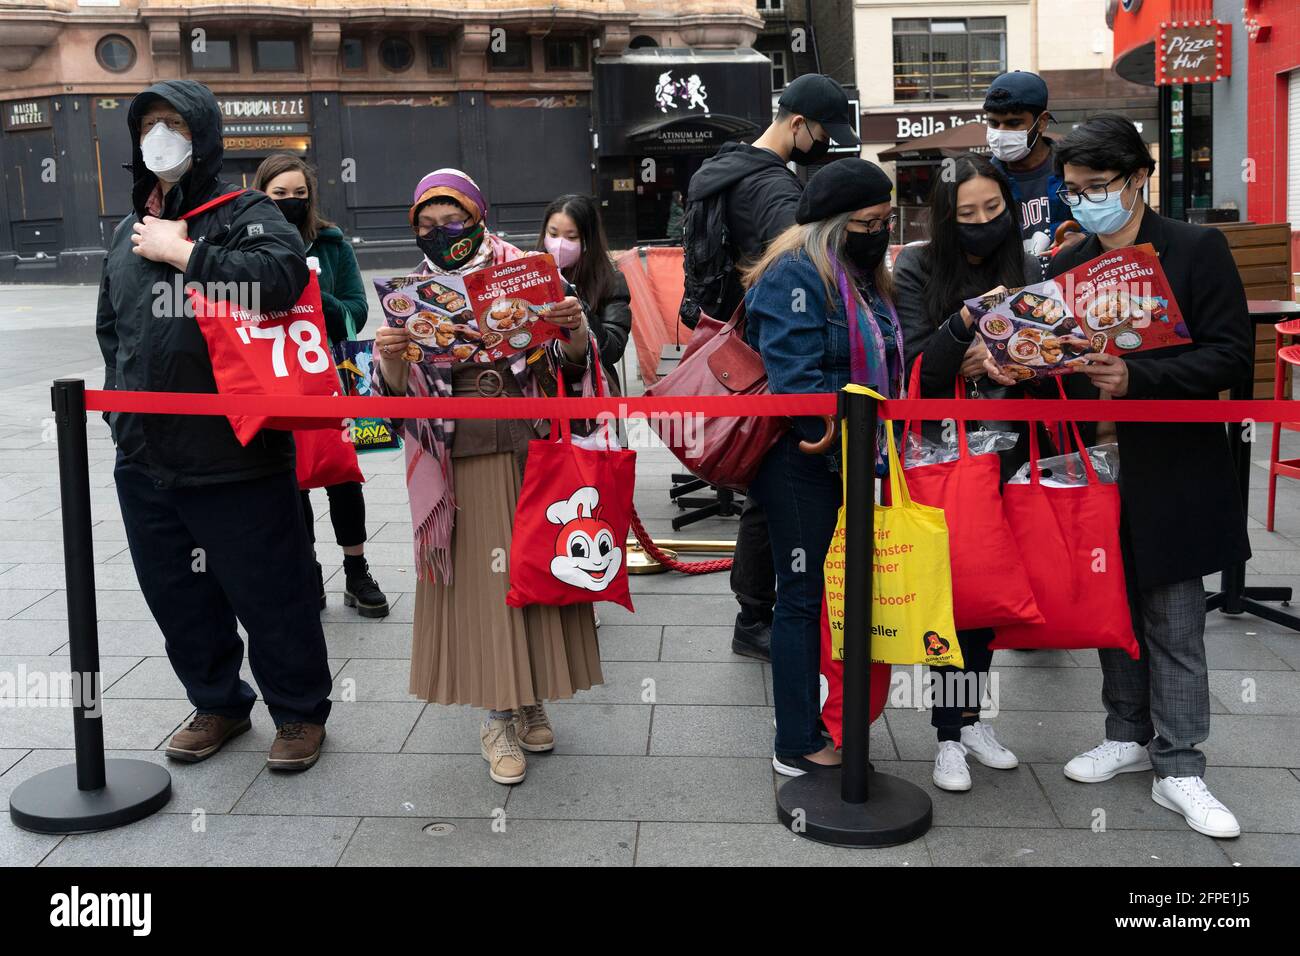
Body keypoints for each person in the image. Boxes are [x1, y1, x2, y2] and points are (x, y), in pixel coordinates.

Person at [985, 114, 1252, 838]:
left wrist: (1137, 374)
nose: (1085, 202)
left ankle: (1183, 766)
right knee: (1109, 608)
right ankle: (1126, 734)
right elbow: (1048, 382)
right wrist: (1006, 360)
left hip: (1172, 469)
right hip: (1090, 473)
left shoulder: (1196, 251)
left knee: (1173, 617)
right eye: (1072, 190)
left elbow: (1231, 358)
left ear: (1140, 178)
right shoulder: (1064, 268)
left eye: (1098, 187)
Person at [96, 80, 331, 770]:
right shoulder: (128, 226)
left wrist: (186, 253)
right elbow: (114, 327)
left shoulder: (245, 210)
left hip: (237, 452)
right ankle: (219, 701)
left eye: (174, 123)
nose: (161, 137)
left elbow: (280, 278)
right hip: (145, 454)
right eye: (149, 125)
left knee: (271, 591)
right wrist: (120, 412)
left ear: (203, 132)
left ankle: (298, 714)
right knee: (177, 593)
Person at [370, 169, 603, 786]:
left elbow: (575, 365)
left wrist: (574, 325)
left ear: (477, 215)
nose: (440, 234)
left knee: (534, 575)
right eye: (425, 226)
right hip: (461, 457)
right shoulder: (412, 294)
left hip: (532, 450)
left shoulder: (526, 271)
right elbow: (393, 403)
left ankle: (531, 699)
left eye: (452, 221)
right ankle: (497, 716)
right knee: (484, 588)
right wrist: (390, 357)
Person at [681, 72, 861, 664]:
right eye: (822, 134)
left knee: (765, 479)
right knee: (773, 482)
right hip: (772, 348)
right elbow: (798, 266)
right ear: (798, 124)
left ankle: (755, 608)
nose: (824, 146)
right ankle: (756, 614)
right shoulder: (774, 190)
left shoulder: (727, 168)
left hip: (739, 341)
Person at [740, 159, 903, 776]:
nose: (880, 232)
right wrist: (836, 445)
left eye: (887, 221)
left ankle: (829, 722)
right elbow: (796, 381)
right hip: (802, 463)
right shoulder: (795, 275)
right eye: (868, 222)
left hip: (853, 460)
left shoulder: (860, 276)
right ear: (834, 224)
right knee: (802, 597)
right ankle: (796, 740)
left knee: (831, 595)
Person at [893, 153, 1041, 792]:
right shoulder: (917, 266)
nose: (982, 223)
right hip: (941, 454)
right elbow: (916, 359)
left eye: (993, 210)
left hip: (1009, 446)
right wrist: (964, 337)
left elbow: (1048, 349)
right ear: (945, 218)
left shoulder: (1030, 265)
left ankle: (972, 718)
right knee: (947, 589)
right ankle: (947, 735)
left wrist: (1028, 359)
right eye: (967, 214)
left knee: (985, 588)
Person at [253, 154, 390, 619]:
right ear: (261, 195)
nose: (290, 202)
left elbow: (356, 313)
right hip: (277, 376)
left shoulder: (332, 244)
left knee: (341, 472)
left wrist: (312, 284)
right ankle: (306, 570)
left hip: (332, 376)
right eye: (279, 194)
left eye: (299, 193)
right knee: (293, 479)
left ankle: (357, 571)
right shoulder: (246, 245)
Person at [536, 193, 632, 393]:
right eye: (553, 234)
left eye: (571, 237)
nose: (559, 244)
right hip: (539, 389)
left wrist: (578, 308)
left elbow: (613, 350)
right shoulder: (529, 273)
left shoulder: (610, 281)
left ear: (588, 240)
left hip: (588, 391)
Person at [982, 70, 1076, 266]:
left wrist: (1084, 242)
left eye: (1013, 123)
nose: (1001, 132)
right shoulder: (983, 181)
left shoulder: (1074, 171)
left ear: (1041, 122)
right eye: (993, 122)